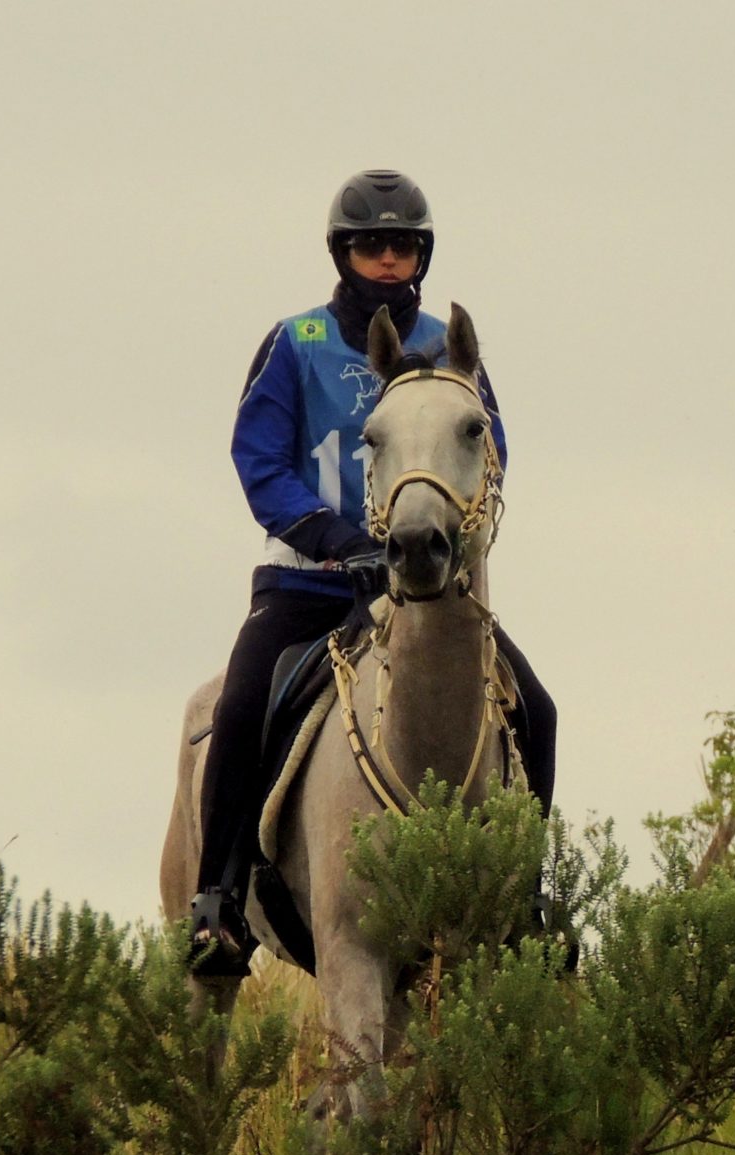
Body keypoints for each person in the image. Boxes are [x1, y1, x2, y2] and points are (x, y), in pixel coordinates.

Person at [189, 169, 557, 971]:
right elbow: (258, 457)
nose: (386, 261)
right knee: (246, 697)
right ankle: (216, 901)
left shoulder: (449, 353)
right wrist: (332, 536)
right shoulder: (296, 343)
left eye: (401, 247)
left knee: (539, 709)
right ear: (343, 253)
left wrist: (458, 537)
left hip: (426, 588)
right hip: (310, 585)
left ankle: (530, 906)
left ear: (420, 256)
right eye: (369, 247)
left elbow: (487, 452)